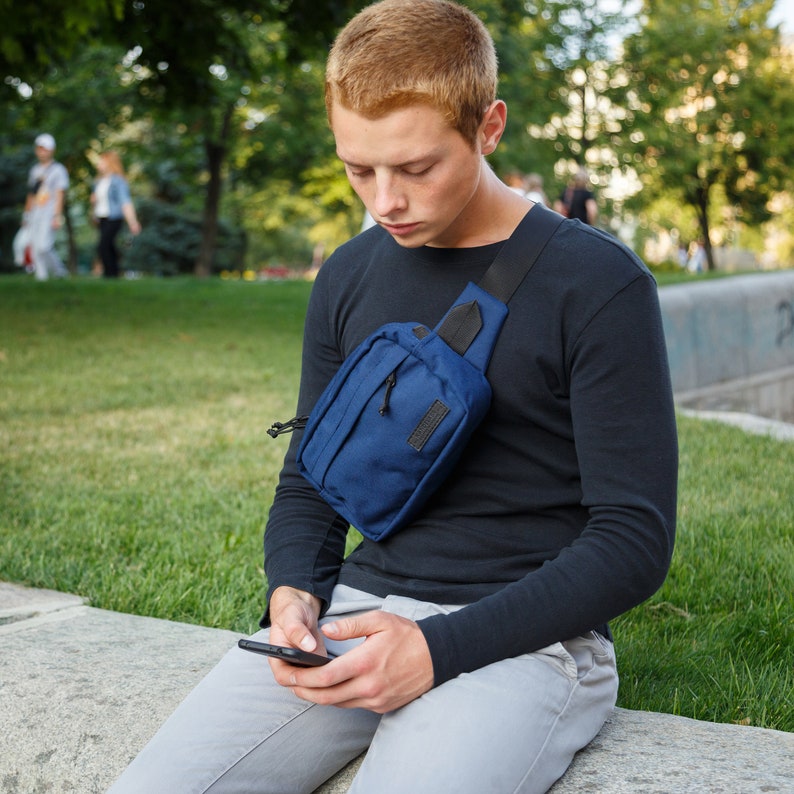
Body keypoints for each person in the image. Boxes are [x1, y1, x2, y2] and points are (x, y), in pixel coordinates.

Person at [109, 1, 677, 792]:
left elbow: (633, 539)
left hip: (528, 640)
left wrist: (437, 650)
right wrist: (294, 593)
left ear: (489, 127)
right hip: (357, 615)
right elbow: (311, 479)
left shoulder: (599, 284)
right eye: (359, 170)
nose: (384, 202)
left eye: (415, 168)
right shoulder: (348, 274)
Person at [22, 133, 70, 281]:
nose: (42, 152)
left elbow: (60, 194)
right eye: (40, 148)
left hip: (49, 212)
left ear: (52, 150)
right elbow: (31, 194)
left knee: (44, 246)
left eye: (45, 149)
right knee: (35, 246)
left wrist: (57, 215)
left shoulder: (58, 170)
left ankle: (59, 271)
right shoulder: (35, 170)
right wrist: (26, 214)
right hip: (35, 213)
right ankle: (41, 277)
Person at [90, 150, 142, 278]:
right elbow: (97, 202)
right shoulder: (98, 182)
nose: (99, 164)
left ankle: (109, 274)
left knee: (104, 245)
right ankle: (114, 273)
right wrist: (93, 209)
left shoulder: (118, 181)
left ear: (110, 163)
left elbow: (125, 202)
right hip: (101, 218)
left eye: (102, 162)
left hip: (114, 217)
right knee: (109, 245)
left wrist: (133, 222)